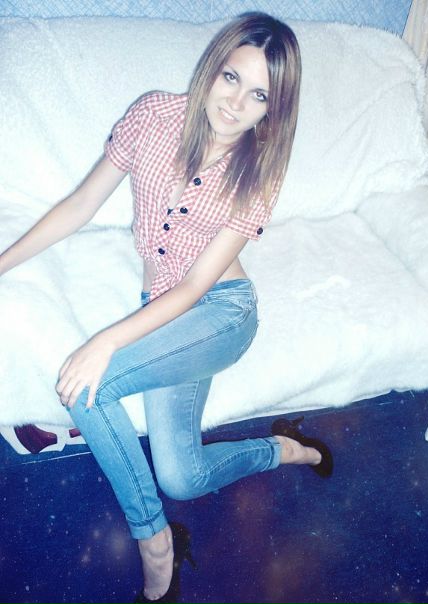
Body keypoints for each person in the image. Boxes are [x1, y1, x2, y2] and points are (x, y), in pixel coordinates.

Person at [0, 12, 332, 603]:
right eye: (231, 77)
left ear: (272, 110)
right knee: (182, 476)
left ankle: (155, 542)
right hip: (163, 306)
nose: (235, 104)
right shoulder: (153, 116)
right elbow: (79, 205)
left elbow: (195, 287)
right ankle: (281, 449)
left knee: (89, 387)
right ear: (212, 66)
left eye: (259, 96)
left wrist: (107, 341)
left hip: (220, 313)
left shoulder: (259, 171)